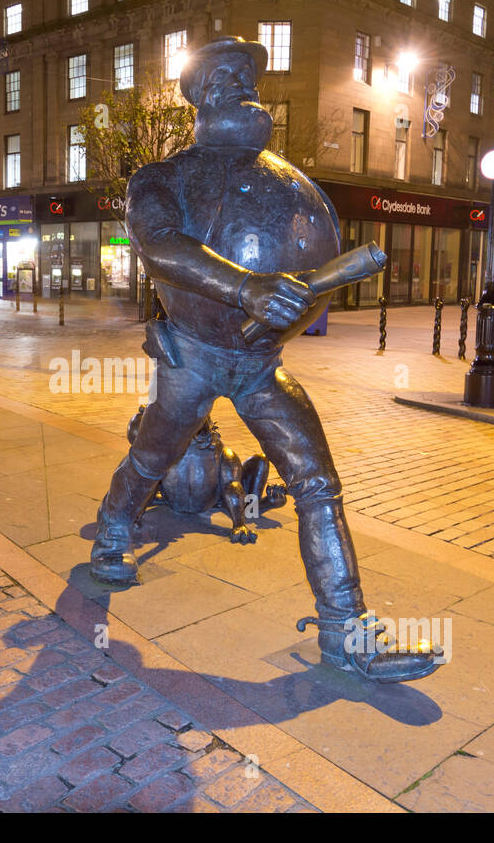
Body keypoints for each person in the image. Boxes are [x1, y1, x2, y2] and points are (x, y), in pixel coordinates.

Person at [90, 36, 442, 684]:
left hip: (258, 364)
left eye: (246, 74)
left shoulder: (292, 182)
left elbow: (314, 266)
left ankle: (347, 631)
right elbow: (161, 247)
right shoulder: (160, 179)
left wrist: (295, 313)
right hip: (192, 355)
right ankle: (114, 526)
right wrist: (248, 288)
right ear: (197, 95)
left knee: (316, 481)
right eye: (222, 75)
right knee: (152, 456)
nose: (238, 83)